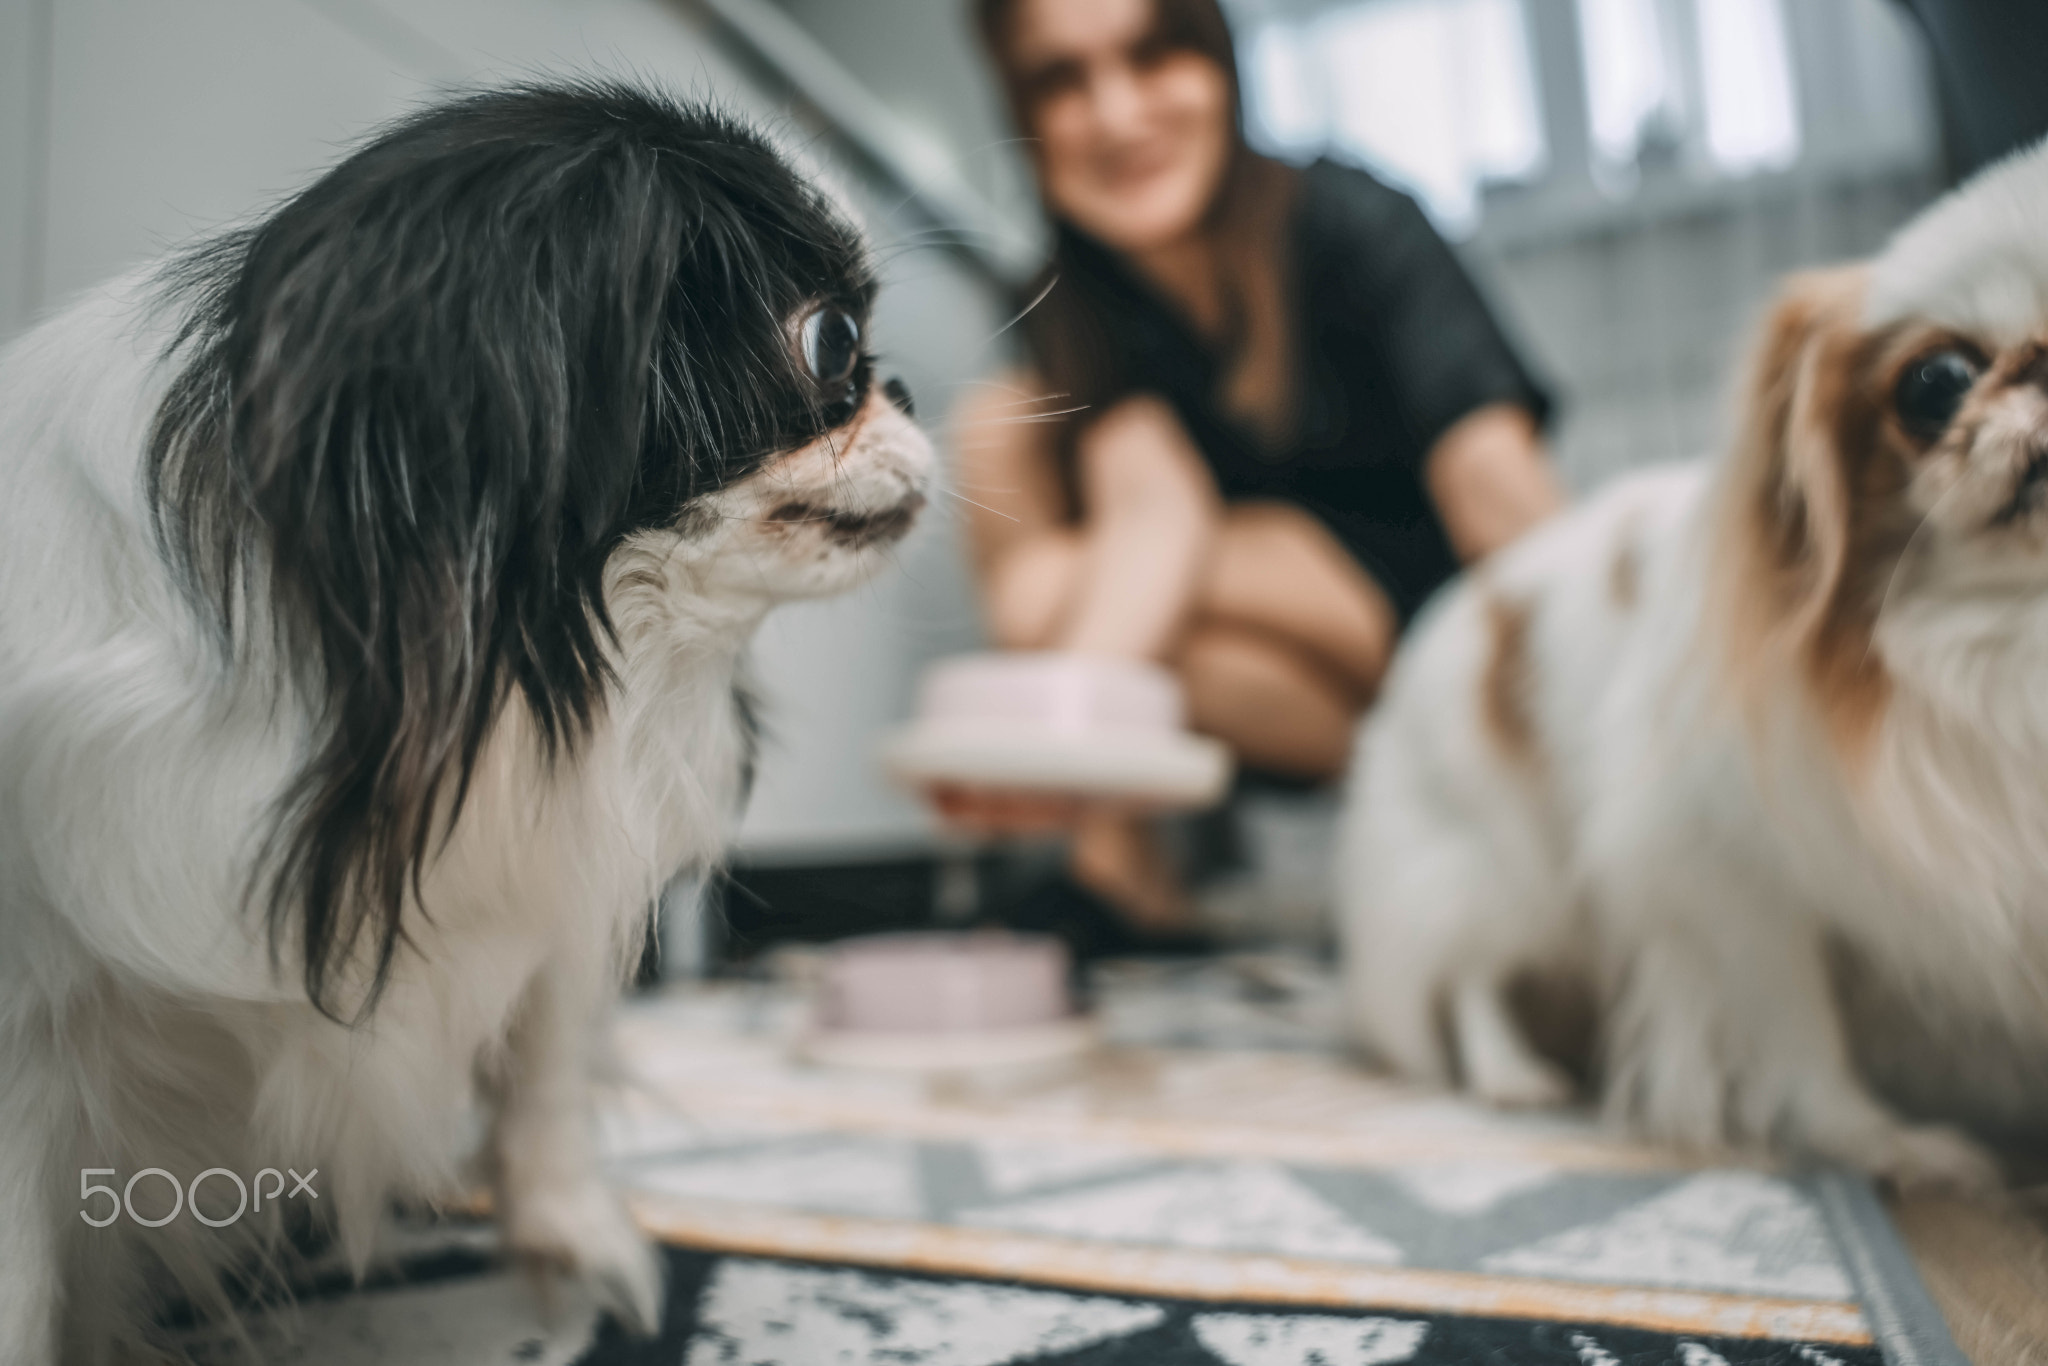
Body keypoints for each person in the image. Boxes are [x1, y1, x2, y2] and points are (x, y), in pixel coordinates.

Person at [941, 0, 1562, 934]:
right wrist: (1050, 735)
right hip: (1271, 677)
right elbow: (1157, 515)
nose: (1115, 116)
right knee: (999, 429)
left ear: (1219, 63)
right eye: (1062, 80)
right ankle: (1119, 873)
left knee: (1083, 589)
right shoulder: (1074, 301)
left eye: (1152, 57)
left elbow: (1496, 489)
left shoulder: (1352, 221)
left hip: (1425, 639)